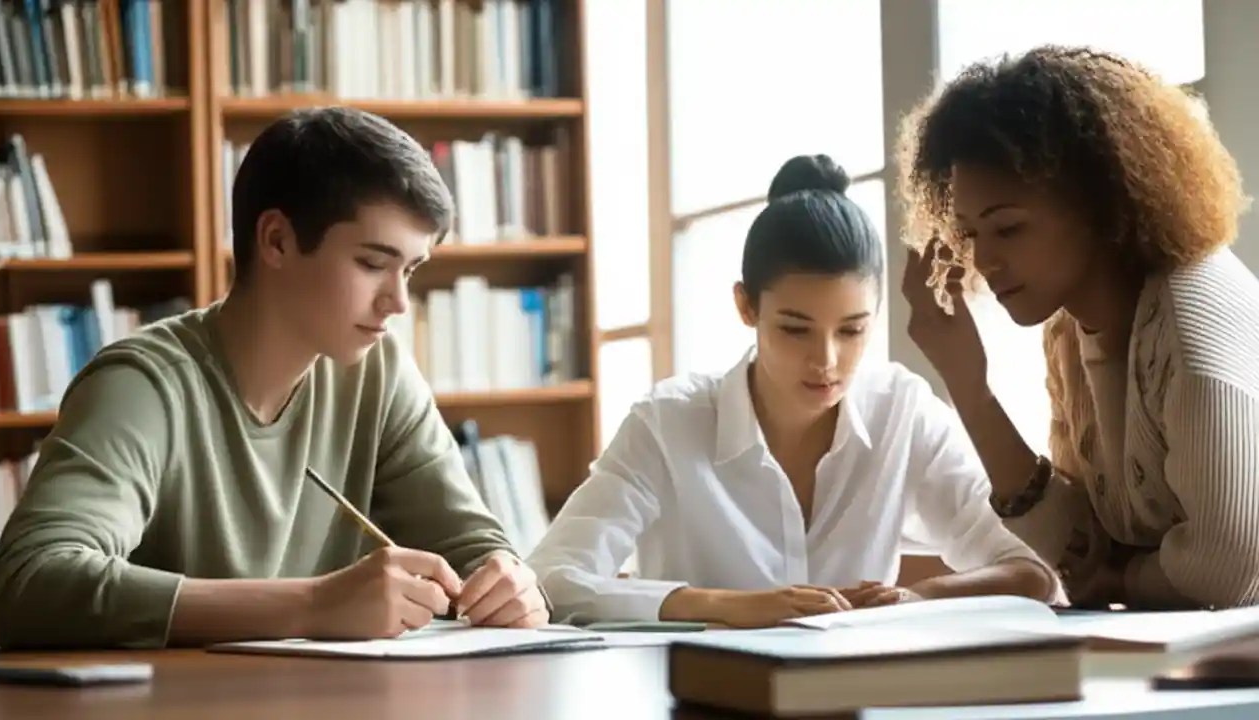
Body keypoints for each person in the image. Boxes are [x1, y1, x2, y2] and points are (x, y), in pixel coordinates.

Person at [0, 107, 548, 649]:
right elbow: (29, 582)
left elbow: (473, 548)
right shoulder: (143, 385)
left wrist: (510, 585)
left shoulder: (381, 374)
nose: (399, 302)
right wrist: (314, 605)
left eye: (411, 269)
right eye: (373, 264)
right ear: (276, 240)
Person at [526, 155, 1057, 628]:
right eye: (795, 329)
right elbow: (552, 579)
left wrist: (915, 598)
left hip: (856, 693)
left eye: (851, 330)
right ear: (746, 307)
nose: (826, 360)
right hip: (699, 691)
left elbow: (1034, 570)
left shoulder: (901, 411)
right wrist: (724, 606)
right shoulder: (667, 423)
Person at [896, 45, 1259, 610]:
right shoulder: (1068, 330)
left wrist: (1120, 580)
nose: (984, 261)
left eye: (1007, 229)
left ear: (1100, 201)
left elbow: (1229, 569)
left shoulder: (1195, 328)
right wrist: (967, 385)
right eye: (969, 234)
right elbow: (1079, 550)